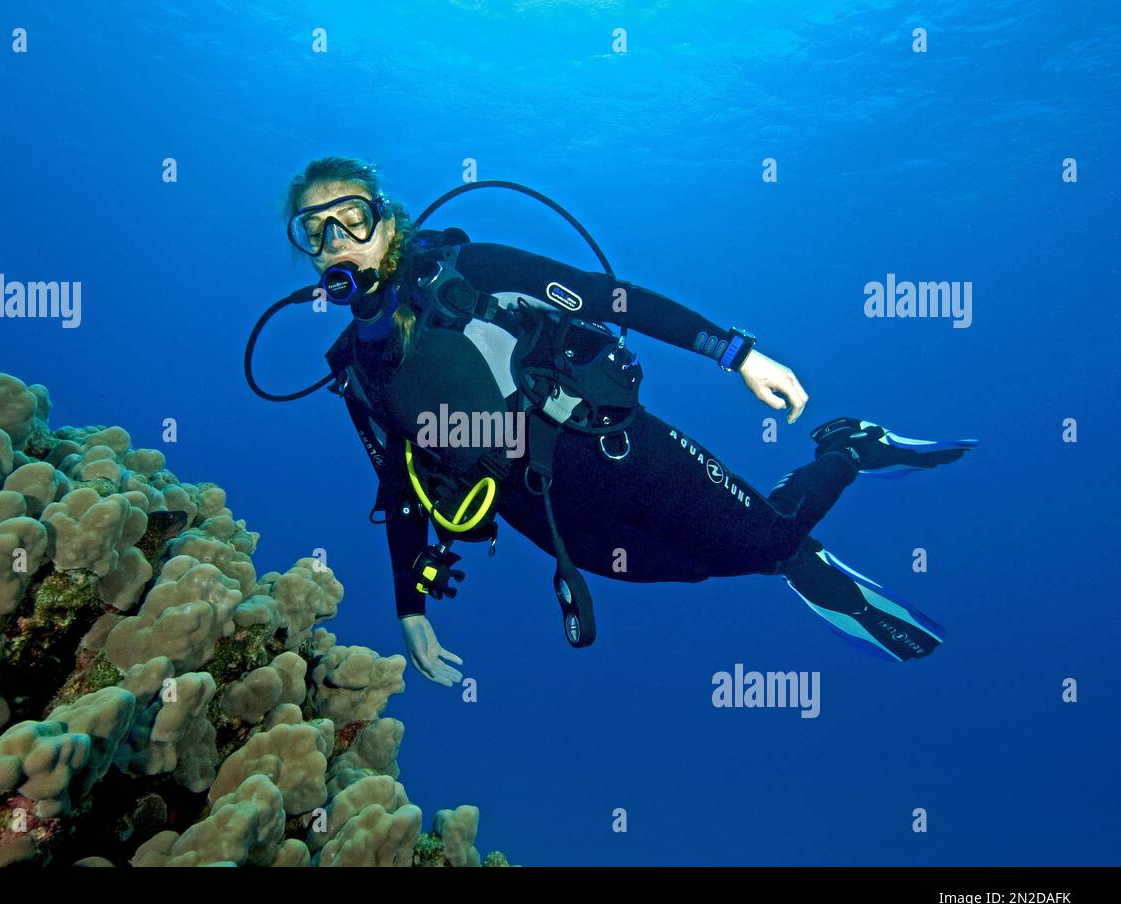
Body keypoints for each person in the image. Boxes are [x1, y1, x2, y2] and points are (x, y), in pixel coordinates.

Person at [279, 157, 977, 683]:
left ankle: (846, 450)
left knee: (765, 548)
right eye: (316, 232)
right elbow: (401, 485)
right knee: (696, 569)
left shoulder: (471, 272)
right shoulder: (355, 367)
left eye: (353, 219)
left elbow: (603, 298)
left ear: (388, 221)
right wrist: (410, 608)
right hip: (550, 521)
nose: (338, 240)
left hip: (615, 450)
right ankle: (770, 537)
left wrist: (735, 353)